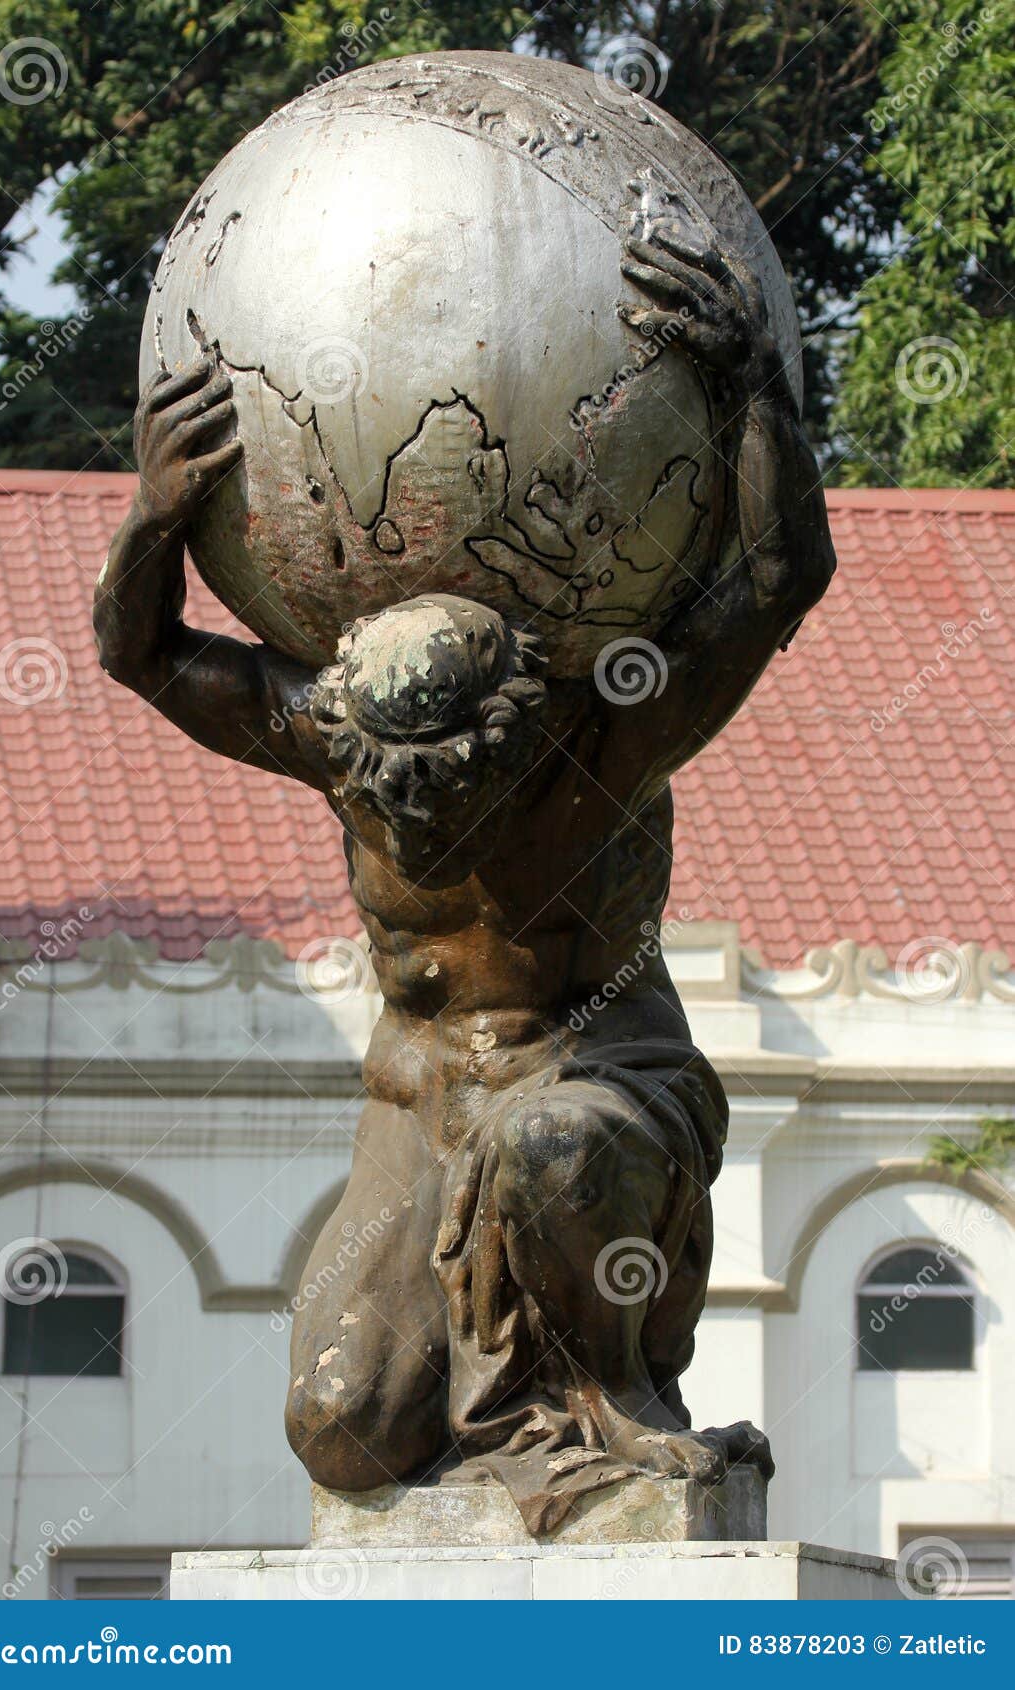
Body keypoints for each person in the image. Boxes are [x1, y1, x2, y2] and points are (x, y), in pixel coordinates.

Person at [95, 223, 835, 1532]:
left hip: (596, 1085)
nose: (414, 817)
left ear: (519, 734)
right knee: (342, 1423)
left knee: (545, 1138)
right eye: (392, 793)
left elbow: (783, 573)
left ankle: (616, 1407)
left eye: (453, 793)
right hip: (424, 1098)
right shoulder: (341, 732)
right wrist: (156, 513)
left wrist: (755, 386)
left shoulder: (612, 733)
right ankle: (485, 1414)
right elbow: (141, 655)